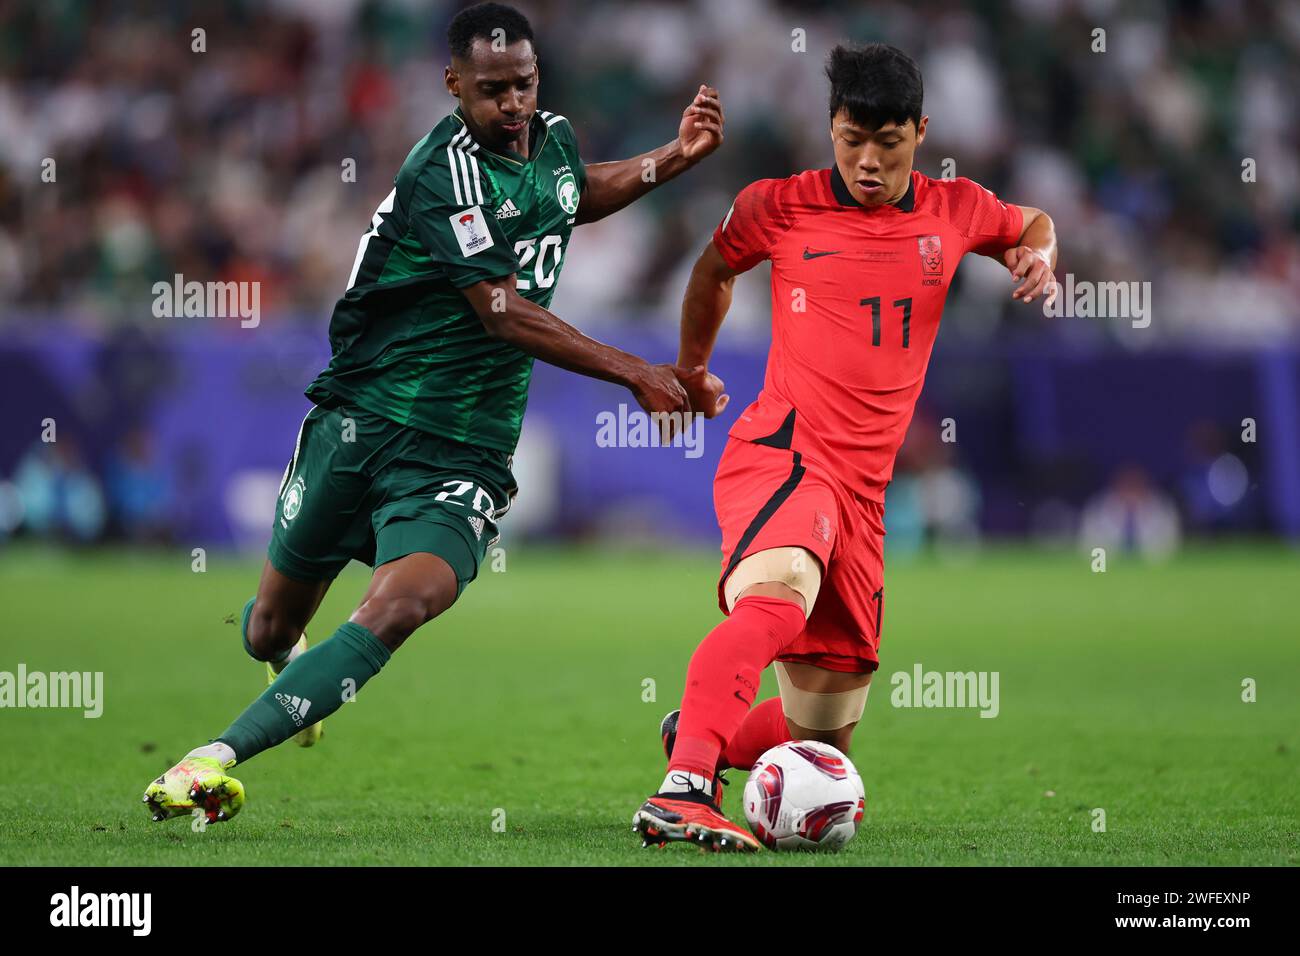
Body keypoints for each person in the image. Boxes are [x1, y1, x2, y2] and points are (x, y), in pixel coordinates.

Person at [143, 1, 726, 825]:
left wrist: (672, 158)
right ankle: (283, 658)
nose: (514, 105)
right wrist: (634, 370)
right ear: (454, 84)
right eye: (493, 91)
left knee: (402, 602)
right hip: (364, 420)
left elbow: (570, 192)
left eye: (524, 84)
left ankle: (211, 758)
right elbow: (500, 310)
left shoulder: (550, 139)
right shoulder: (436, 171)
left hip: (465, 450)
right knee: (268, 628)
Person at [633, 42, 1057, 850]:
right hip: (786, 452)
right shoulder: (777, 205)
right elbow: (714, 271)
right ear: (830, 126)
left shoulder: (954, 209)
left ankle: (705, 731)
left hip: (864, 495)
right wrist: (690, 371)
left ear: (920, 133)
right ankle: (683, 787)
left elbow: (1029, 224)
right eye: (850, 139)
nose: (867, 161)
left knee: (822, 745)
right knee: (778, 594)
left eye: (887, 145)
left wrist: (1040, 255)